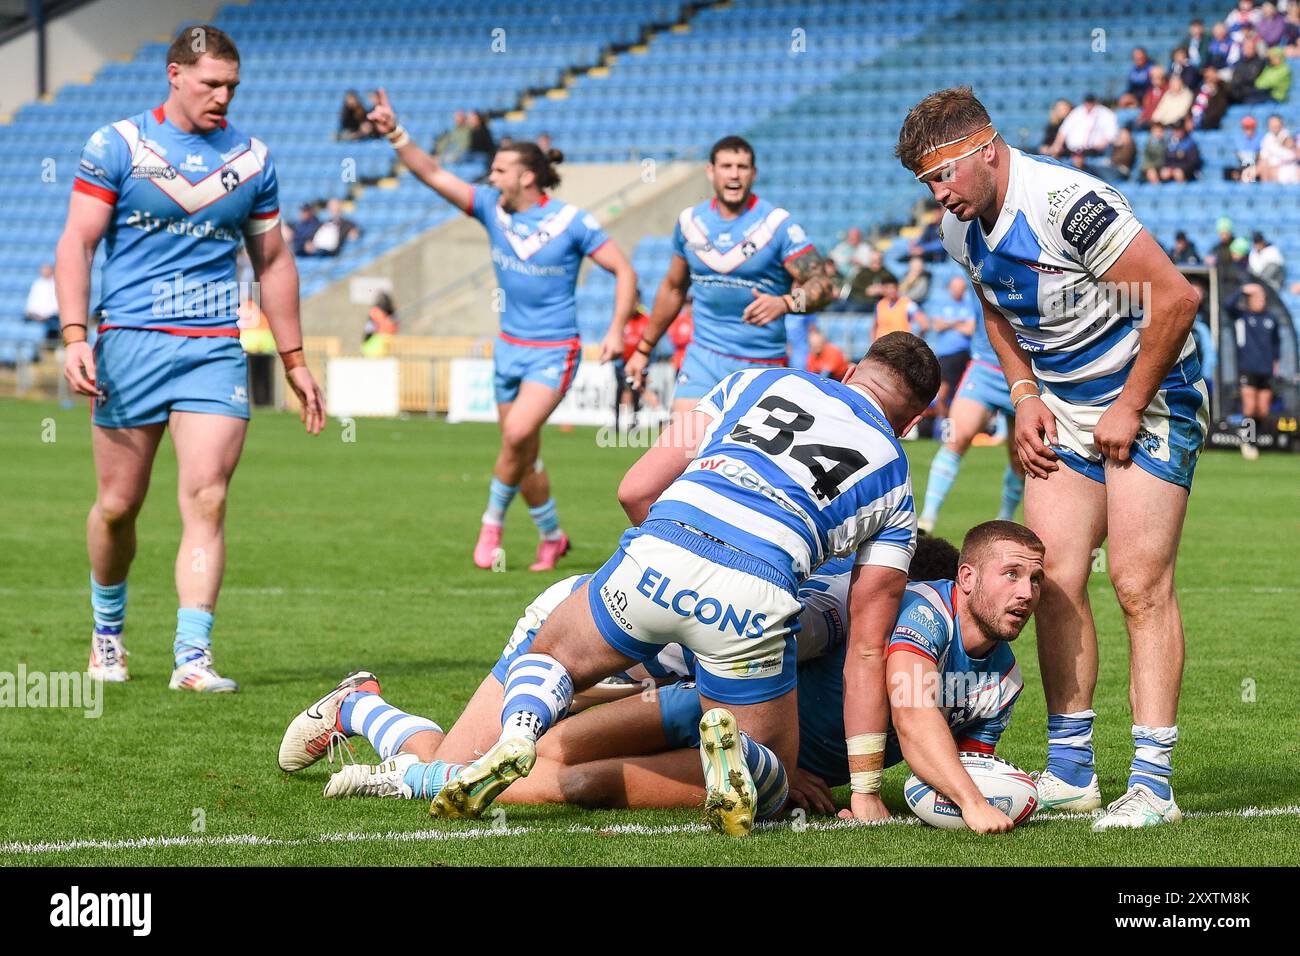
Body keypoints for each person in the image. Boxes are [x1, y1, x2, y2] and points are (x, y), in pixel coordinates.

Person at [428, 337, 940, 835]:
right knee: (778, 780)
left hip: (662, 549)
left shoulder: (752, 381)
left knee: (555, 656)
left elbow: (635, 489)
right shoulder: (896, 480)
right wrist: (867, 791)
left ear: (850, 371)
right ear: (912, 422)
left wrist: (672, 568)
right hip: (753, 599)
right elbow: (869, 650)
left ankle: (520, 730)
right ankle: (734, 753)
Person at [281, 524, 1044, 836]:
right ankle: (755, 769)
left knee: (558, 765)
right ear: (958, 581)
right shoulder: (901, 611)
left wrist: (964, 785)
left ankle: (376, 727)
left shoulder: (991, 677)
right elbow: (909, 710)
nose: (1027, 594)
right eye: (1012, 575)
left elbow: (947, 756)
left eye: (1035, 582)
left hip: (676, 679)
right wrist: (956, 802)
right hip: (599, 640)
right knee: (547, 763)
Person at [897, 86, 1210, 829]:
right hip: (1064, 409)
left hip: (1153, 392)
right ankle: (1072, 771)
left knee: (1138, 583)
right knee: (1055, 577)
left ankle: (1154, 784)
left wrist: (1129, 406)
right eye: (926, 184)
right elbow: (996, 308)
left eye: (944, 176)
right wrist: (1025, 392)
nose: (939, 195)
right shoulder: (958, 230)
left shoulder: (1069, 203)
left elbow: (1174, 298)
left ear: (986, 149)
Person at [54, 24, 325, 691]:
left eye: (231, 85)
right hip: (129, 344)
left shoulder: (253, 159)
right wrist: (73, 334)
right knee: (119, 504)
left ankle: (193, 656)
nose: (222, 97)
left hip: (212, 348)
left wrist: (294, 358)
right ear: (174, 74)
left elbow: (274, 260)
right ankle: (108, 636)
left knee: (208, 496)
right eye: (210, 83)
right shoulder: (116, 146)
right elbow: (77, 244)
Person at [367, 90, 636, 572]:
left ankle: (490, 526)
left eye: (498, 170)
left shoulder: (572, 221)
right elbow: (431, 173)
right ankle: (553, 536)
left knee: (514, 435)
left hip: (555, 350)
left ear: (526, 176)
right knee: (525, 452)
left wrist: (616, 329)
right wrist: (395, 132)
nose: (489, 176)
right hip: (507, 348)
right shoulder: (491, 207)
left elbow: (624, 271)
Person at [620, 136, 835, 418]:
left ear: (753, 173)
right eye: (726, 166)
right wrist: (643, 349)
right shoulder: (690, 223)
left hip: (762, 365)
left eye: (742, 166)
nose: (734, 174)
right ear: (711, 171)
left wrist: (784, 303)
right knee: (681, 450)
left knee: (751, 462)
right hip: (703, 360)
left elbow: (824, 285)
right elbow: (673, 289)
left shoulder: (777, 224)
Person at [917, 284, 1024, 534]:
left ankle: (1005, 520)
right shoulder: (981, 260)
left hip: (1026, 373)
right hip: (985, 369)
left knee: (1020, 457)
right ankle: (927, 519)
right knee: (956, 436)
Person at [1225, 282, 1281, 459]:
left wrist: (1275, 363)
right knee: (1249, 407)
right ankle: (1248, 443)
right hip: (1247, 368)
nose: (1260, 301)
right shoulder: (1242, 316)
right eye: (1257, 298)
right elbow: (1227, 305)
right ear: (1249, 300)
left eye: (1263, 298)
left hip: (1266, 370)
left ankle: (1253, 439)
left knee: (1263, 410)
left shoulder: (1271, 319)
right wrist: (1242, 290)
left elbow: (1276, 343)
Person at [926, 275, 977, 423]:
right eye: (955, 288)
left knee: (960, 395)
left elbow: (970, 329)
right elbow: (937, 326)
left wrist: (948, 324)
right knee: (942, 393)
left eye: (961, 288)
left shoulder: (969, 305)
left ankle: (958, 426)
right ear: (950, 288)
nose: (958, 291)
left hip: (963, 354)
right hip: (946, 355)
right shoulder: (942, 305)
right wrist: (958, 323)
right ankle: (944, 425)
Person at [1050, 94, 1118, 168]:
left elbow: (1111, 135)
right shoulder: (1077, 112)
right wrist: (1056, 146)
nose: (1089, 104)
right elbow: (1063, 131)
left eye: (1091, 102)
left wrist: (1099, 145)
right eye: (1087, 102)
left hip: (1094, 154)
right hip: (1074, 153)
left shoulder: (1105, 113)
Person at [873, 277, 926, 341]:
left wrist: (915, 343)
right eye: (887, 288)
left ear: (897, 288)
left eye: (893, 287)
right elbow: (874, 326)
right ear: (882, 289)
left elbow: (924, 324)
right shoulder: (880, 305)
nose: (891, 290)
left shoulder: (907, 304)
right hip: (883, 347)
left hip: (900, 346)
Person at [24, 263, 60, 343]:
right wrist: (33, 314)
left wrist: (46, 316)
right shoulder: (37, 284)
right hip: (37, 316)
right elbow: (31, 303)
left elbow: (56, 306)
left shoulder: (56, 284)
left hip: (52, 317)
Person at [1228, 115, 1263, 179]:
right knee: (1231, 172)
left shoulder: (1261, 138)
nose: (1248, 129)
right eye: (1246, 127)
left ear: (1254, 127)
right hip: (1242, 164)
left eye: (1251, 127)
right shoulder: (1238, 139)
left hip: (1255, 165)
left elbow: (1260, 156)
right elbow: (1237, 154)